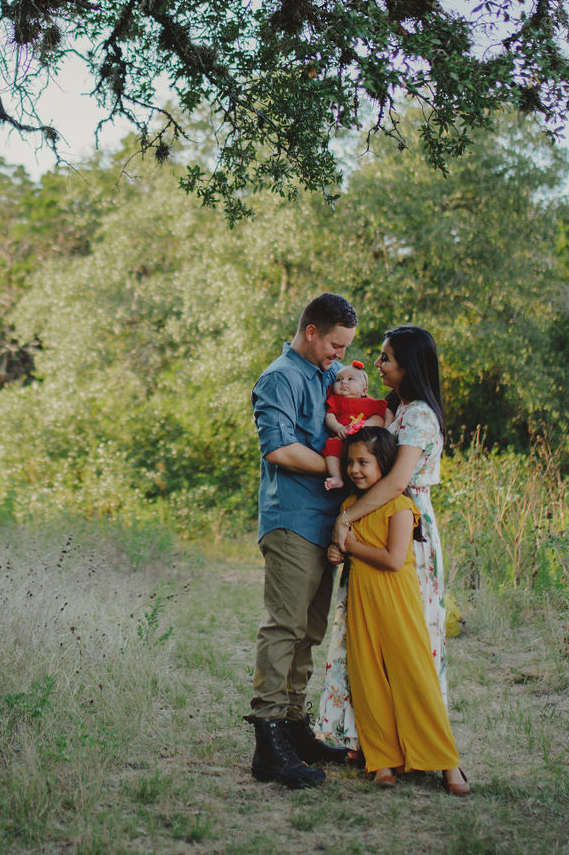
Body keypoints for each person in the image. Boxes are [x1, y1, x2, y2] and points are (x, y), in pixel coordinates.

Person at [246, 292, 358, 788]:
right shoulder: (279, 377)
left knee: (310, 632)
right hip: (291, 520)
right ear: (311, 331)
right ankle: (268, 746)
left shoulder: (325, 374)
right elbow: (281, 449)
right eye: (335, 344)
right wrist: (342, 472)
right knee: (285, 628)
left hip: (324, 524)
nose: (339, 354)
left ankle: (295, 727)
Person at [330, 426, 469, 794]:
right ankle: (383, 761)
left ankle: (446, 763)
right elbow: (342, 550)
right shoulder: (348, 509)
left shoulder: (399, 506)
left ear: (385, 464)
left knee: (413, 676)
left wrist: (352, 545)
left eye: (364, 462)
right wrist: (337, 550)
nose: (355, 469)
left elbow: (393, 560)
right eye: (350, 463)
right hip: (363, 602)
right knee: (369, 678)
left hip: (396, 601)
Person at [334, 325, 450, 701]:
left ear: (409, 365)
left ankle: (418, 730)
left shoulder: (418, 416)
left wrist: (346, 517)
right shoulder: (396, 408)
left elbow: (399, 480)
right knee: (372, 628)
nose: (378, 363)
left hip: (406, 524)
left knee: (408, 629)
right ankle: (372, 731)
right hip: (378, 518)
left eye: (386, 358)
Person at [321, 361, 391, 490]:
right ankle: (336, 476)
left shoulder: (369, 403)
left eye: (350, 379)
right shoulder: (335, 400)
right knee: (331, 444)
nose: (343, 382)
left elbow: (381, 416)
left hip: (362, 441)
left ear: (364, 390)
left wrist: (368, 425)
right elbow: (329, 417)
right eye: (338, 380)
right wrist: (338, 428)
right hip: (342, 438)